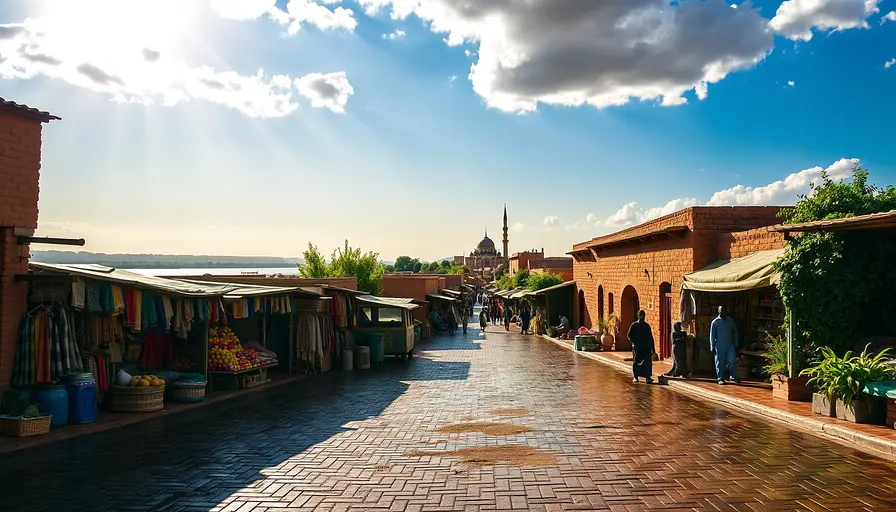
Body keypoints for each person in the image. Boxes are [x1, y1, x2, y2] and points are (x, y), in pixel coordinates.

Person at [711, 305, 739, 385]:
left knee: (732, 360)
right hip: (719, 344)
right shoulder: (715, 322)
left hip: (730, 344)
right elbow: (712, 335)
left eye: (725, 311)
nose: (723, 312)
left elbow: (734, 332)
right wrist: (712, 346)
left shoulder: (730, 321)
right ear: (718, 311)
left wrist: (736, 343)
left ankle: (732, 376)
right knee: (720, 362)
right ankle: (720, 378)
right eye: (722, 311)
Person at [627, 310, 656, 383]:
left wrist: (653, 348)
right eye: (640, 315)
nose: (642, 317)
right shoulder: (634, 325)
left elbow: (650, 337)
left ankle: (648, 377)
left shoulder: (646, 326)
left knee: (647, 362)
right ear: (638, 316)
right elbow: (629, 336)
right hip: (637, 347)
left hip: (646, 347)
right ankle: (635, 377)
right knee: (636, 362)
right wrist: (633, 343)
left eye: (643, 316)